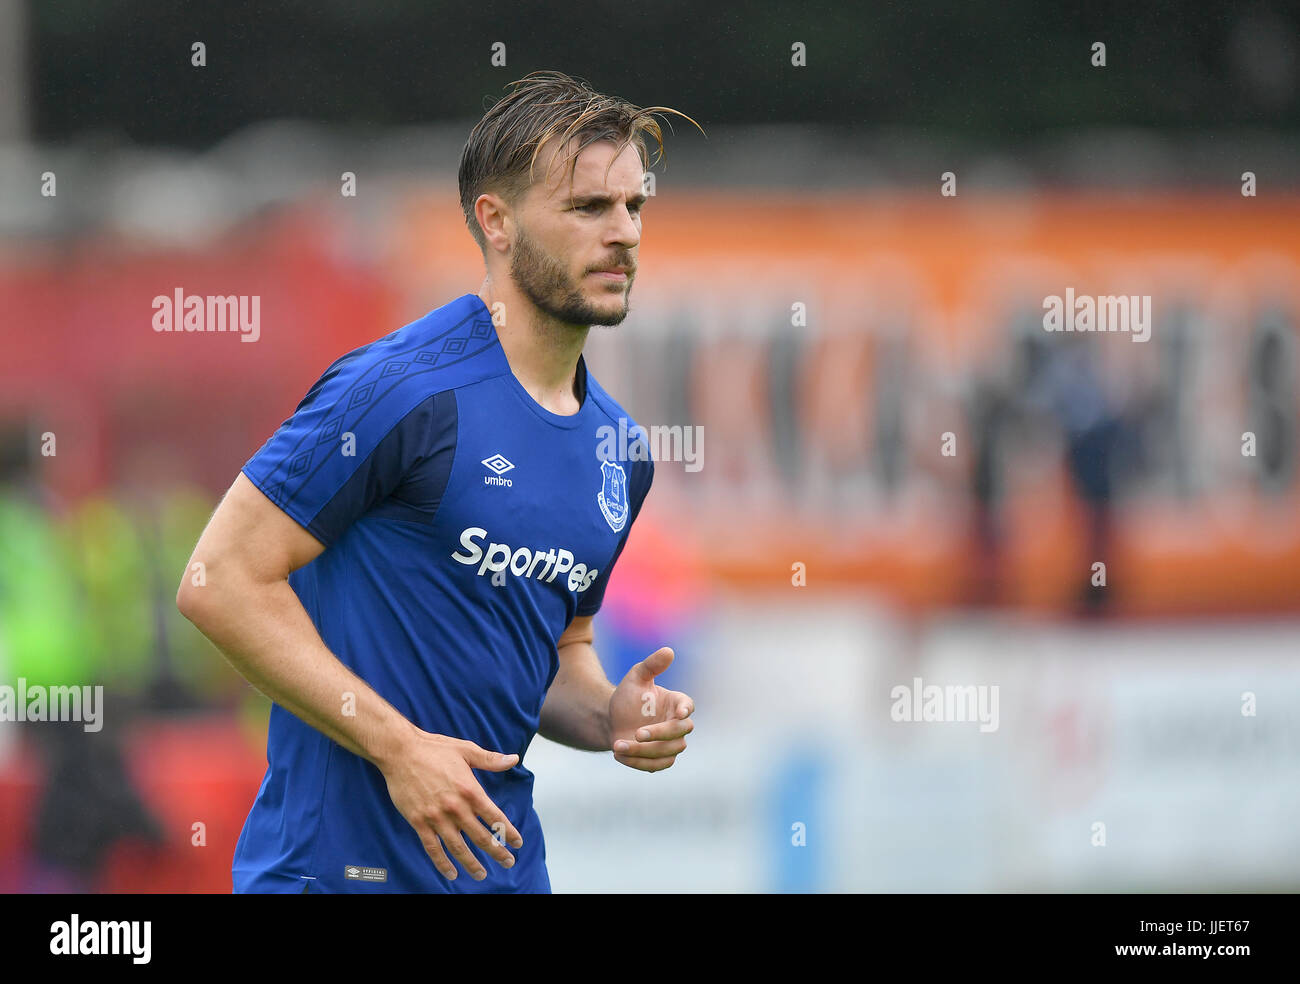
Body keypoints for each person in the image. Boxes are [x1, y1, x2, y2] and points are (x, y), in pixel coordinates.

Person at [177, 71, 702, 893]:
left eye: (634, 207)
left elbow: (555, 654)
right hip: (335, 874)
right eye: (588, 208)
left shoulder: (620, 449)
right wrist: (398, 747)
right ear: (495, 221)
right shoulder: (399, 390)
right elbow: (219, 580)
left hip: (501, 871)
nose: (624, 234)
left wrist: (613, 716)